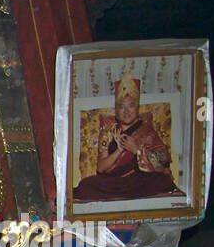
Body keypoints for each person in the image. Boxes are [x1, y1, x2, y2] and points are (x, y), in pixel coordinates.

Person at [73, 72, 181, 203]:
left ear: (137, 108)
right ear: (116, 111)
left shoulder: (147, 130)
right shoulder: (109, 131)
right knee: (86, 185)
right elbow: (101, 168)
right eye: (121, 107)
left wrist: (137, 150)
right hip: (114, 182)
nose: (126, 111)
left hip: (139, 180)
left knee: (162, 180)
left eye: (131, 106)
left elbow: (163, 162)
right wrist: (120, 150)